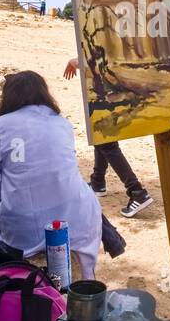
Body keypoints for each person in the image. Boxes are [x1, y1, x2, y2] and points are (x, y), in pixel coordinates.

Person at [0, 71, 118, 280]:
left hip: (22, 229)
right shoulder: (62, 123)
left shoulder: (1, 125)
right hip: (78, 218)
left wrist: (14, 198)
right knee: (85, 282)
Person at [63, 58, 154, 217]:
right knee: (102, 138)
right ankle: (98, 182)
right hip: (109, 92)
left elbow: (95, 63)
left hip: (107, 93)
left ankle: (137, 191)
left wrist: (75, 61)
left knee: (107, 144)